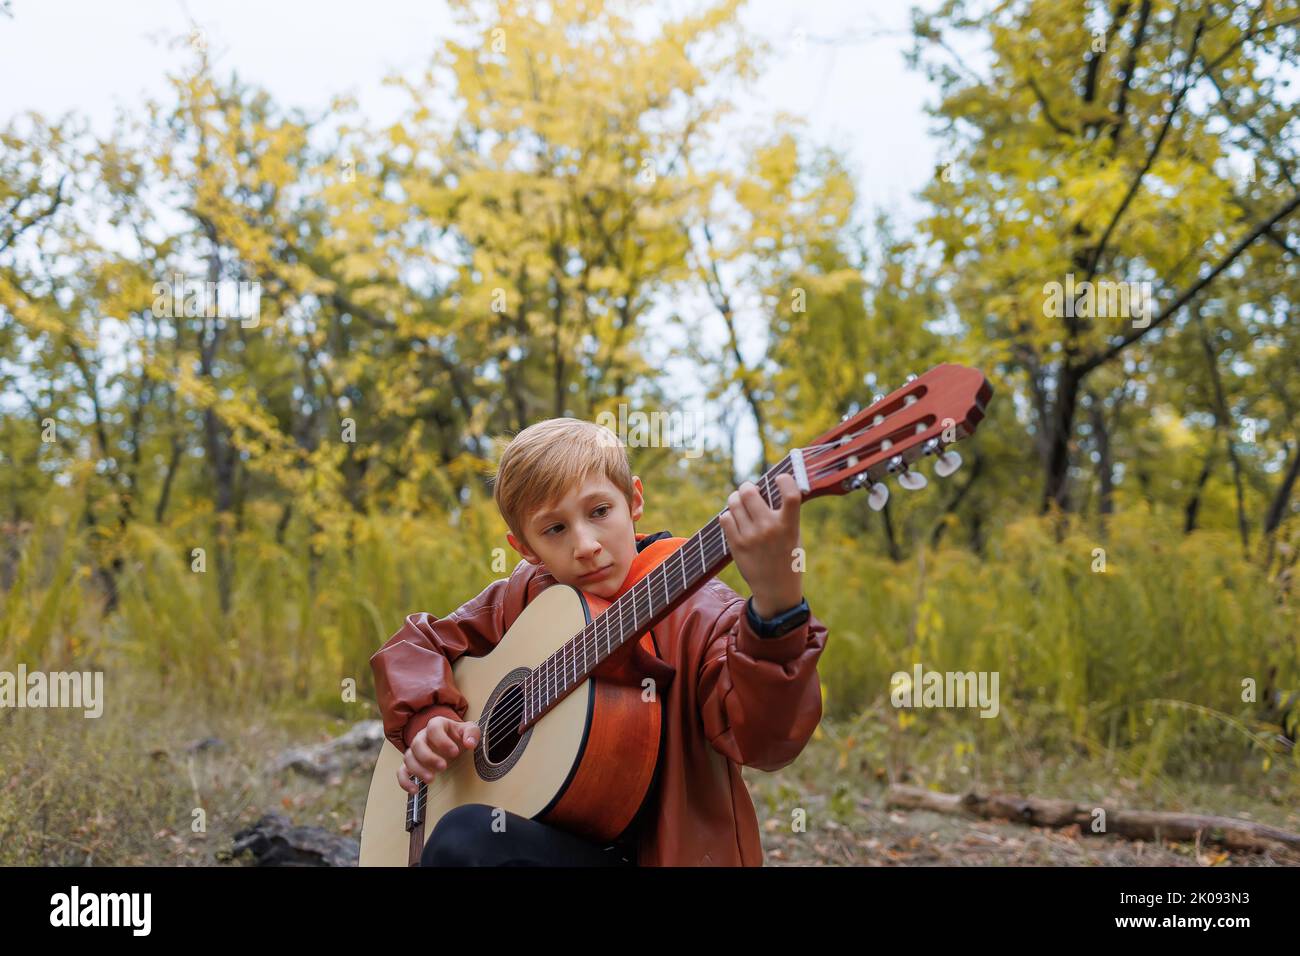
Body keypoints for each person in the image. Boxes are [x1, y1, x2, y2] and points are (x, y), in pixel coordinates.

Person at [369, 417, 828, 866]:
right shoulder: (523, 599)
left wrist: (777, 608)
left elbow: (768, 742)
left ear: (634, 500)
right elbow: (416, 645)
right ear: (526, 549)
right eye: (555, 529)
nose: (585, 544)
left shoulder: (700, 612)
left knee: (466, 840)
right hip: (541, 847)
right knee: (468, 837)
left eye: (599, 512)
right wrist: (428, 717)